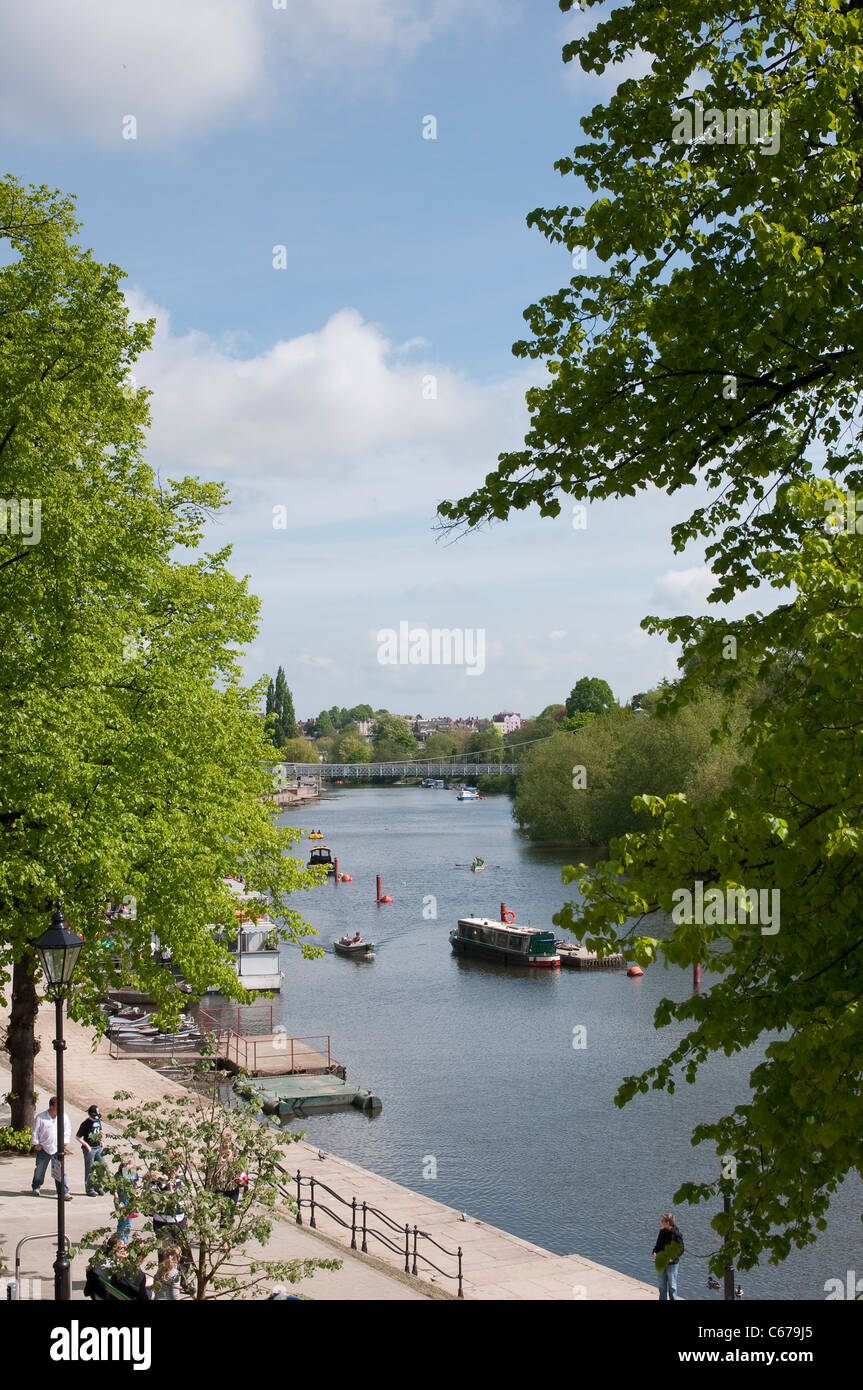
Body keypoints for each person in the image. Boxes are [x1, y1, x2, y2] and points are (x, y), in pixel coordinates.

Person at [30, 1096, 71, 1199]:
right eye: (58, 1106)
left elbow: (67, 1131)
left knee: (60, 1171)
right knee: (40, 1169)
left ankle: (63, 1191)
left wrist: (64, 1143)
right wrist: (36, 1144)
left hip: (57, 1149)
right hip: (44, 1148)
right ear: (52, 1106)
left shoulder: (64, 1117)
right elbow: (35, 1132)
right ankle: (36, 1186)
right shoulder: (41, 1117)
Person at [652, 1212, 684, 1301]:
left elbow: (681, 1249)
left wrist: (673, 1258)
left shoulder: (676, 1234)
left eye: (663, 1221)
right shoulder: (661, 1232)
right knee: (662, 1286)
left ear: (668, 1222)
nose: (661, 1222)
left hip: (672, 1265)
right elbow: (657, 1245)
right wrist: (654, 1252)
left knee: (672, 1287)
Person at [76, 1104, 104, 1195]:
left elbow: (99, 1132)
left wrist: (101, 1140)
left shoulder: (98, 1121)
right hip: (89, 1148)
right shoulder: (85, 1124)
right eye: (93, 1117)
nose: (95, 1119)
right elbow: (78, 1137)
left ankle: (98, 1186)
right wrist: (87, 1146)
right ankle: (90, 1189)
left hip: (98, 1147)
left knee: (101, 1166)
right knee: (90, 1169)